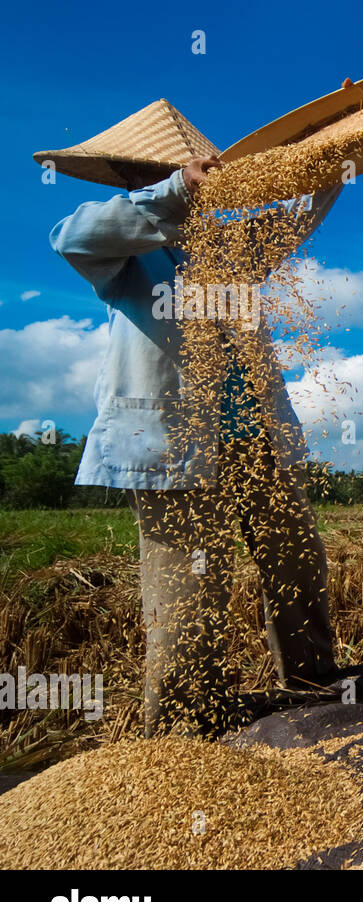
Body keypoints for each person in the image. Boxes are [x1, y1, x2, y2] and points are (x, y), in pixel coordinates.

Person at [38, 100, 342, 736]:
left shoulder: (227, 249)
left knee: (298, 573)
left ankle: (317, 702)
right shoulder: (124, 250)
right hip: (176, 449)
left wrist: (333, 156)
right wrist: (173, 192)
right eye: (164, 175)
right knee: (186, 599)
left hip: (257, 441)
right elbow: (71, 236)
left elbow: (288, 225)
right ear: (139, 178)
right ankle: (185, 740)